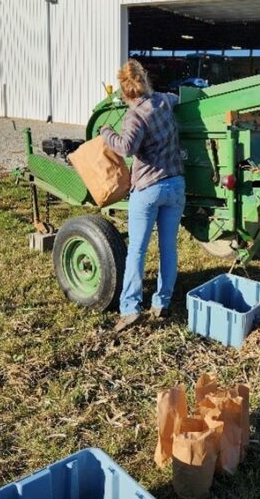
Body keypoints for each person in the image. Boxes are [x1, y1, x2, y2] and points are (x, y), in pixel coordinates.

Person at [99, 59, 185, 333]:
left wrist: (106, 133)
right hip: (176, 186)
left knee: (137, 250)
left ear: (124, 92)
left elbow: (126, 147)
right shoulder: (164, 101)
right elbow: (177, 97)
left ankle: (130, 308)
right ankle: (162, 303)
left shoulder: (134, 116)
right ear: (145, 80)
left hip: (148, 189)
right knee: (168, 247)